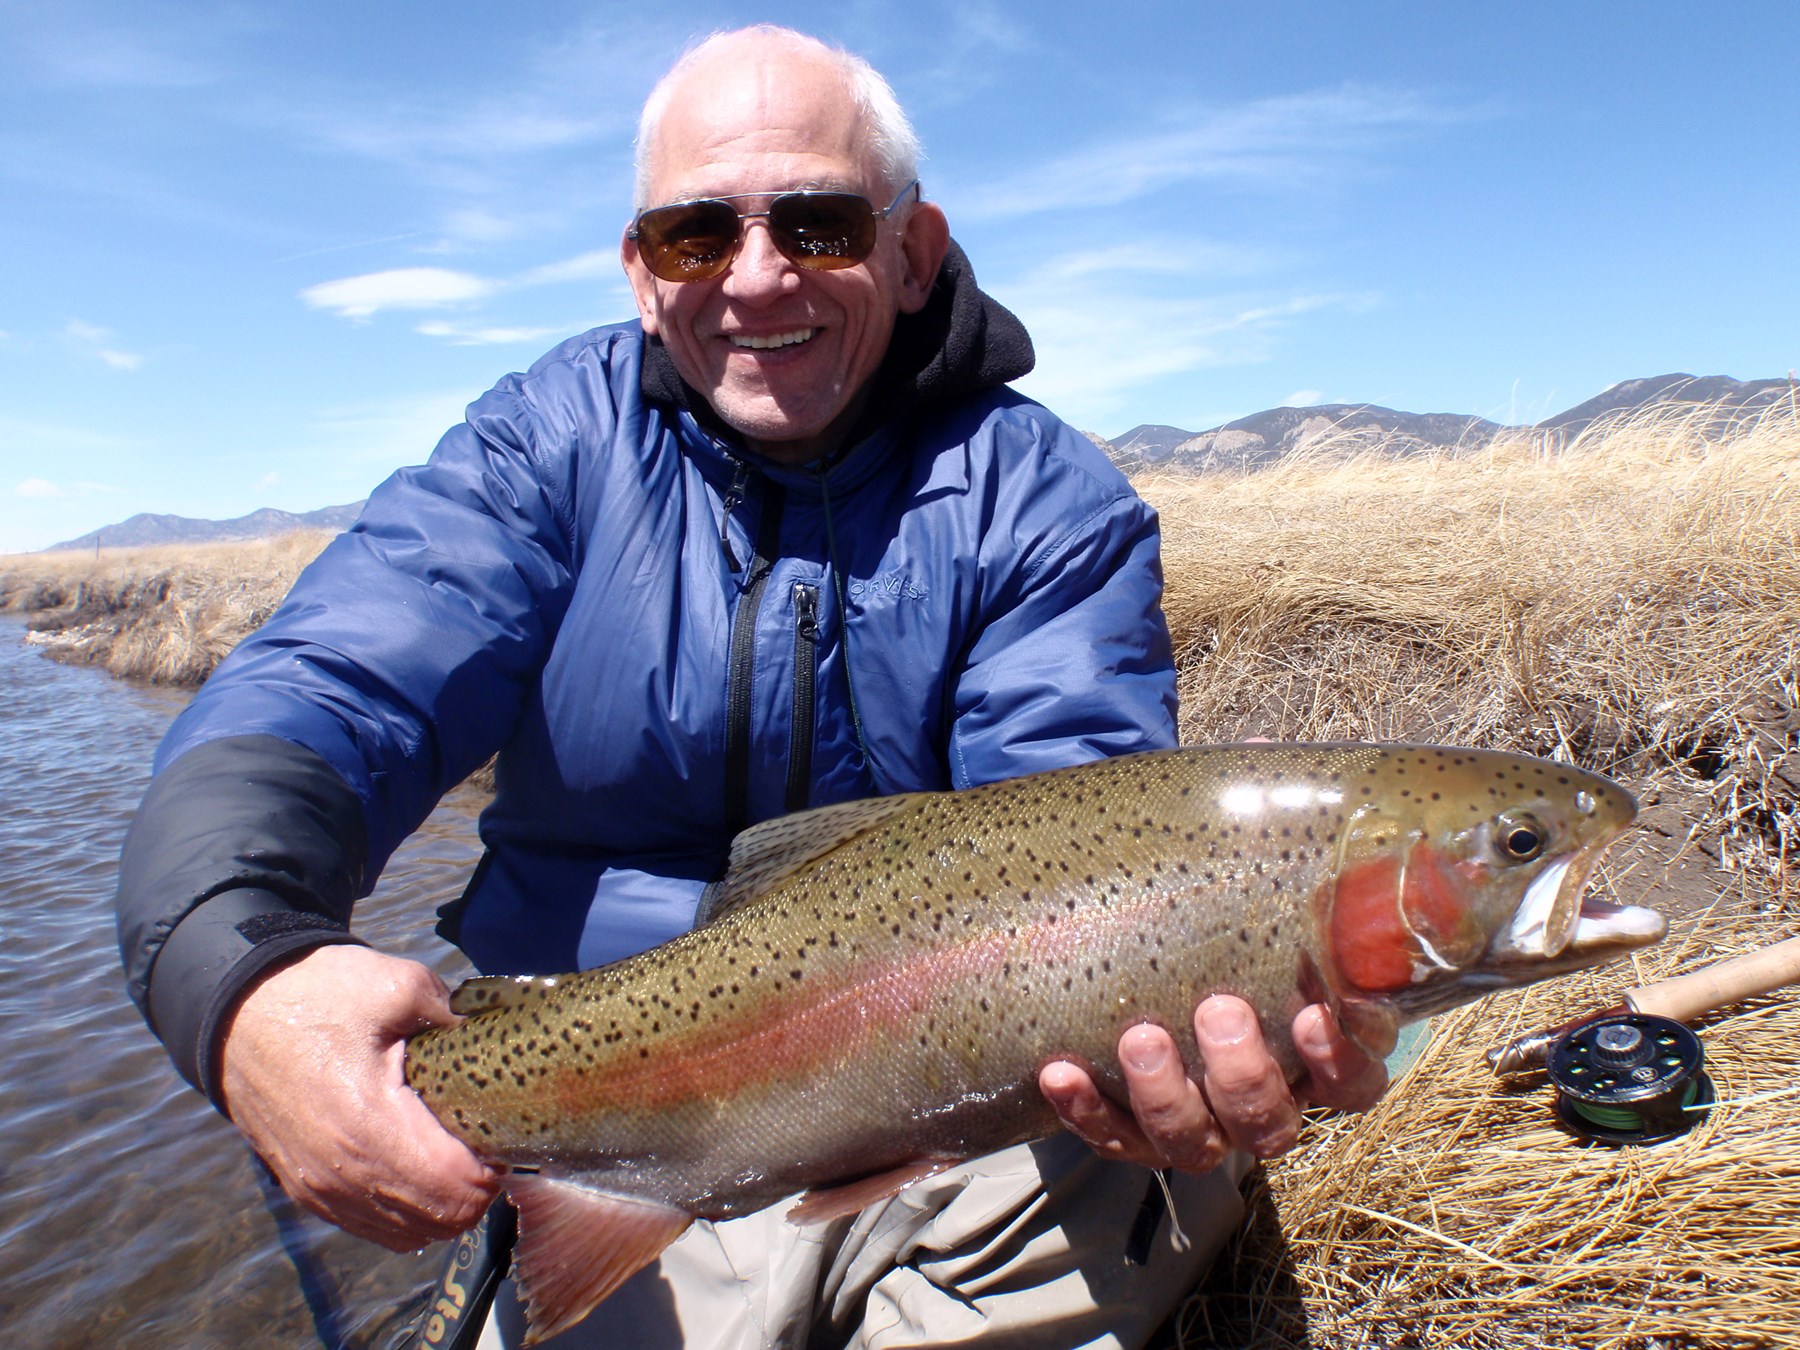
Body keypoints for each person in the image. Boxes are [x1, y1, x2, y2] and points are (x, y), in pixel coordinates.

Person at [116, 25, 1384, 1349]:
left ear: (913, 248)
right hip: (587, 1095)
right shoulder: (544, 447)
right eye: (695, 235)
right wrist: (242, 975)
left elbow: (1072, 847)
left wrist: (1168, 1041)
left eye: (820, 224)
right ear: (638, 269)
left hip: (969, 1118)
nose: (758, 275)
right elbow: (322, 695)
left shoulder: (1046, 501)